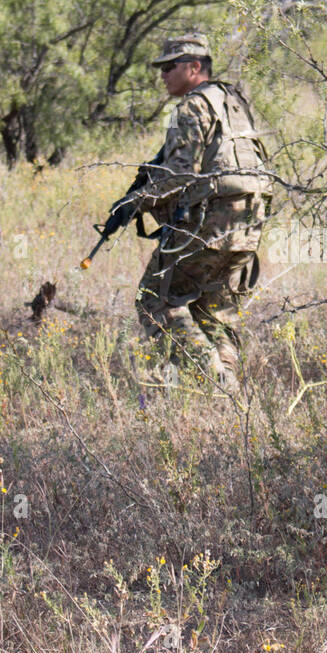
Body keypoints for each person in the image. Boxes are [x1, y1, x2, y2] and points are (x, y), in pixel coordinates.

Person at [118, 33, 273, 392]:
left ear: (194, 67)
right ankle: (229, 385)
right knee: (211, 306)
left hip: (211, 221)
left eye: (170, 66)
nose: (163, 75)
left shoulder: (188, 108)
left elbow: (178, 175)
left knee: (154, 299)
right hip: (249, 222)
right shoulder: (233, 101)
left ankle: (214, 379)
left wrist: (135, 203)